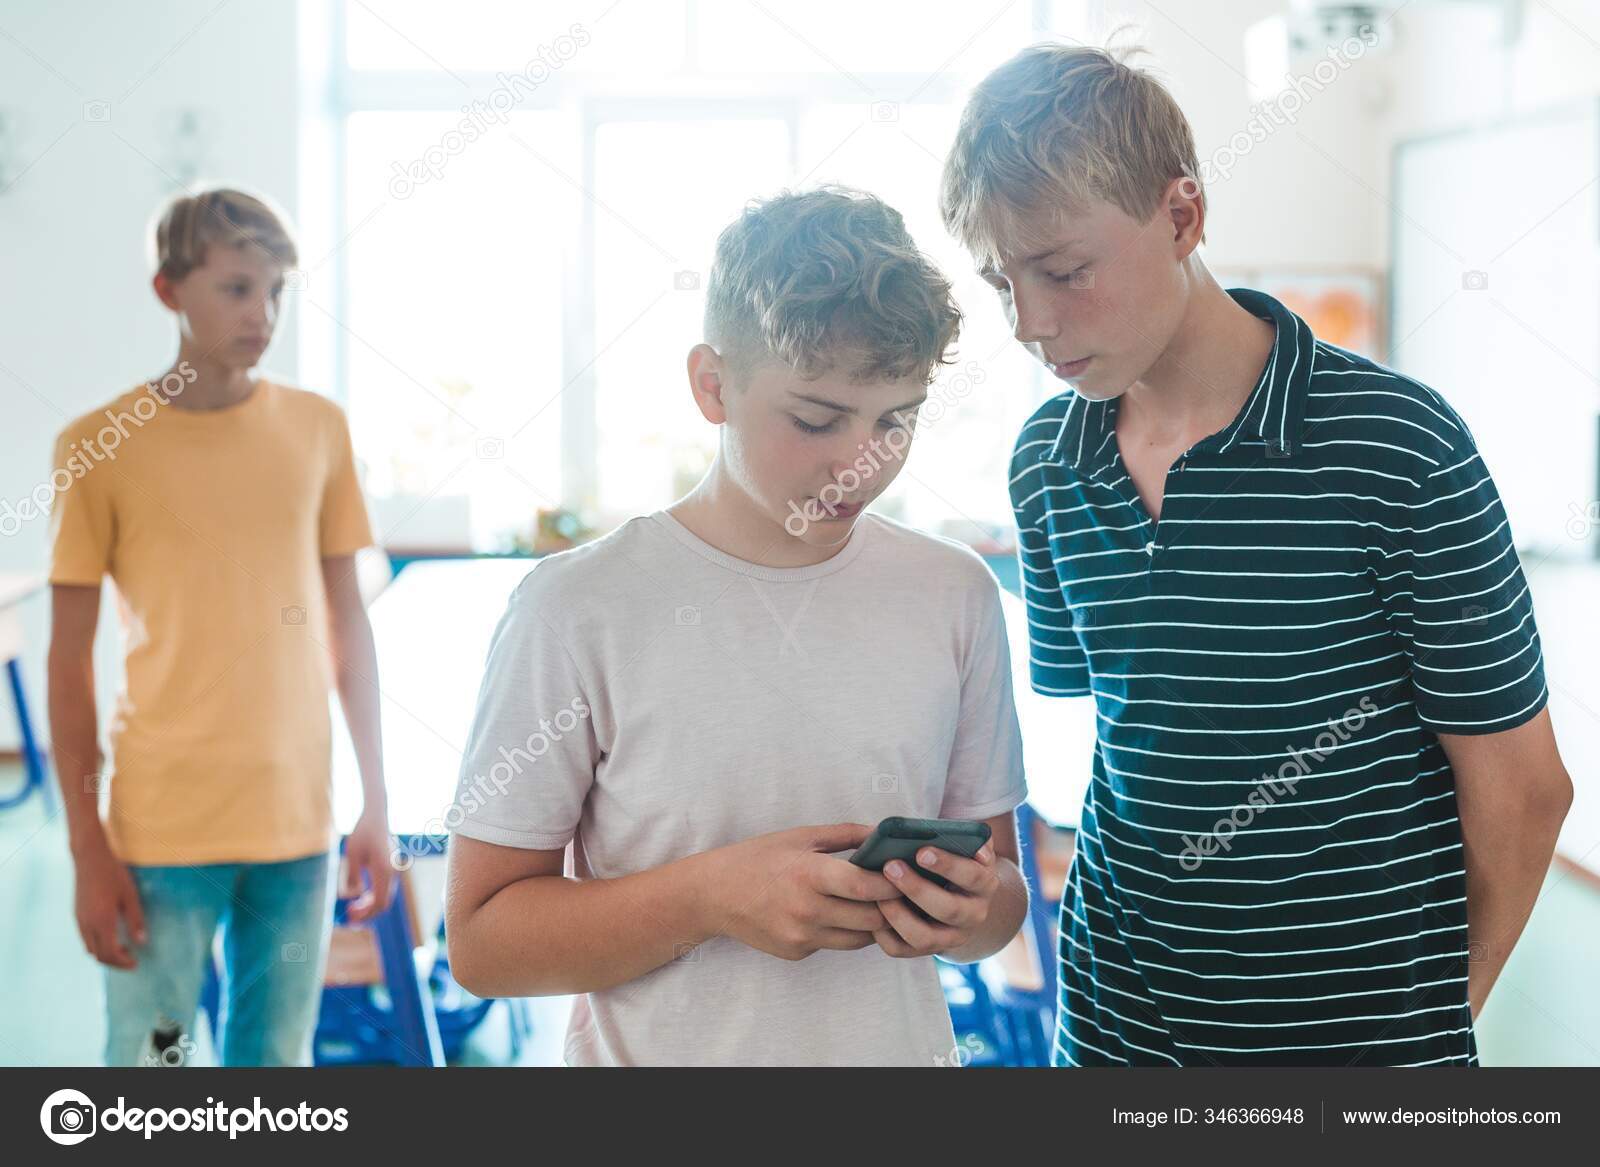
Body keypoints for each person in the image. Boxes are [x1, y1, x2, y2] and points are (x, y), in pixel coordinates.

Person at [940, 43, 1572, 1065]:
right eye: (997, 281)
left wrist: (1431, 1022)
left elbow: (1523, 789)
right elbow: (1127, 745)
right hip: (1110, 1033)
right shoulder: (1046, 461)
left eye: (1060, 271)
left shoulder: (1395, 446)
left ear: (1181, 216)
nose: (1028, 323)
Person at [445, 186, 1029, 1066]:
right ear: (711, 385)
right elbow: (484, 943)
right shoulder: (576, 608)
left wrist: (968, 911)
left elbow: (1001, 904)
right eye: (817, 418)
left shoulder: (954, 594)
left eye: (895, 419)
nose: (860, 458)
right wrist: (711, 898)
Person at [47, 188, 395, 1067]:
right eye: (238, 288)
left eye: (278, 290)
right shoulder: (99, 446)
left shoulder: (317, 430)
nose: (264, 314)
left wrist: (376, 803)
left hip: (296, 822)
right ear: (170, 289)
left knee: (272, 1063)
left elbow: (347, 624)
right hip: (162, 827)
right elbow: (67, 660)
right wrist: (87, 845)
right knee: (155, 1060)